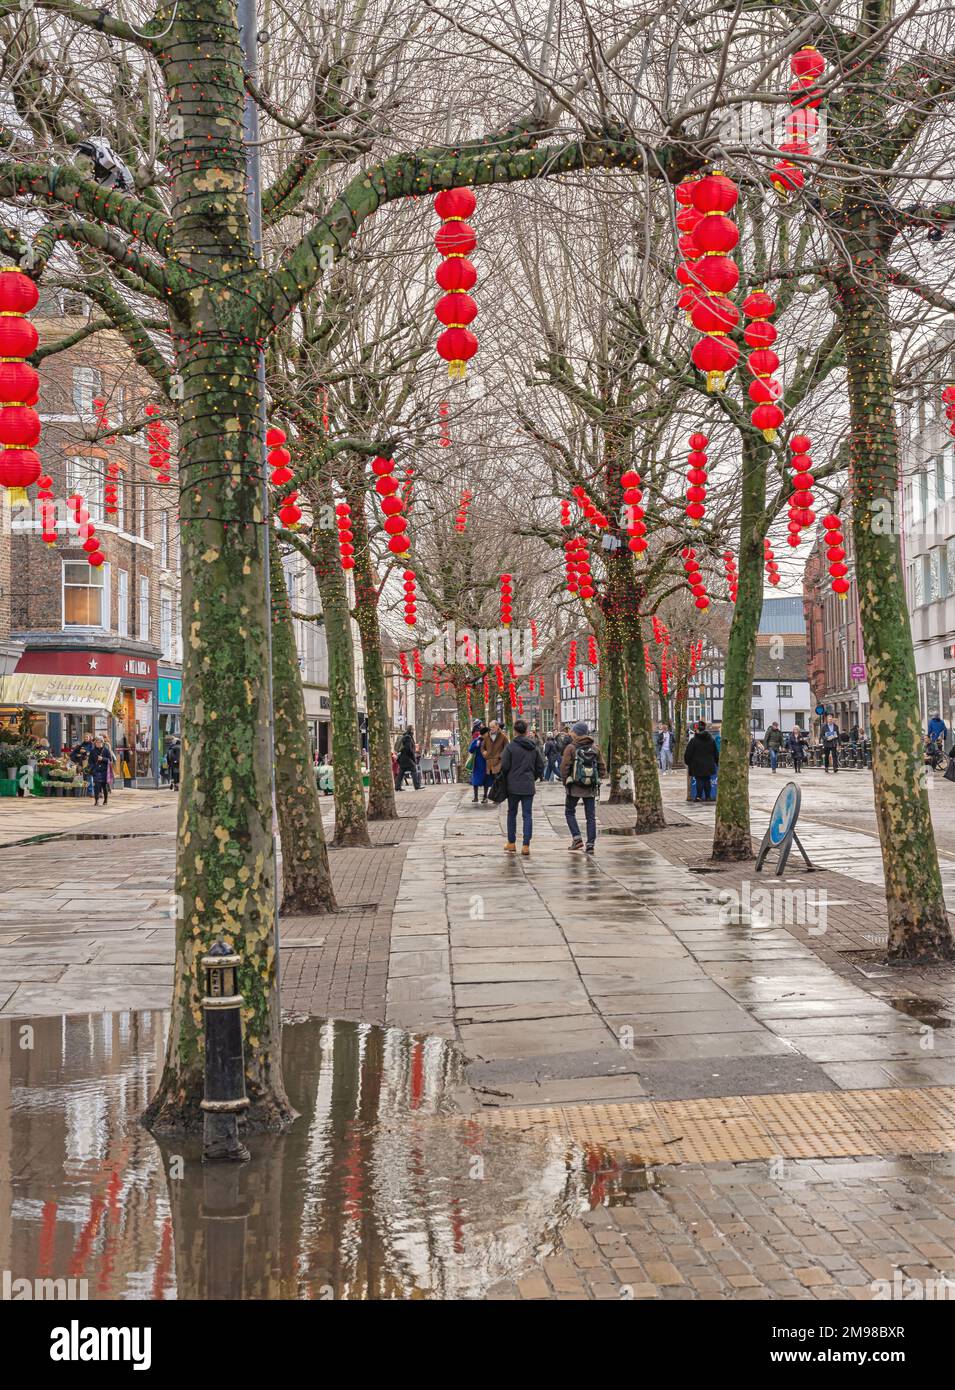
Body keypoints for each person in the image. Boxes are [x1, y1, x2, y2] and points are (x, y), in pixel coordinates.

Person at [560, 720, 606, 853]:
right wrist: (596, 779)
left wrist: (566, 781)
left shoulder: (571, 748)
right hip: (590, 789)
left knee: (569, 812)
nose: (571, 733)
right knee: (590, 817)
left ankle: (577, 838)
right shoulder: (595, 748)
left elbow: (564, 767)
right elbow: (602, 768)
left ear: (577, 733)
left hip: (574, 787)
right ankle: (590, 844)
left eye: (573, 731)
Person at [500, 718, 544, 854]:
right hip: (528, 785)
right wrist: (533, 777)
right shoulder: (533, 747)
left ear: (514, 731)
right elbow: (540, 766)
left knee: (512, 814)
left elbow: (504, 766)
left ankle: (511, 842)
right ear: (526, 731)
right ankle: (526, 845)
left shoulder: (510, 747)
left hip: (513, 786)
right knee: (527, 815)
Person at [684, 720, 719, 802]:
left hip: (697, 764)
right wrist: (716, 762)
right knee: (707, 780)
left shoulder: (693, 741)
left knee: (699, 780)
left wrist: (687, 762)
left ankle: (698, 796)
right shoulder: (711, 740)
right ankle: (708, 796)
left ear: (698, 730)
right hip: (709, 764)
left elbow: (688, 753)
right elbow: (716, 752)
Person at [87, 734, 114, 806]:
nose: (98, 744)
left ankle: (105, 800)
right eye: (96, 742)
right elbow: (90, 761)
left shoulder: (106, 751)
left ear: (102, 742)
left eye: (99, 742)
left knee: (104, 787)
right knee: (96, 786)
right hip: (96, 771)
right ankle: (96, 800)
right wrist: (92, 767)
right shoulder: (93, 751)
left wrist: (103, 759)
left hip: (104, 771)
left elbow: (110, 760)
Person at [467, 721, 490, 803]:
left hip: (486, 763)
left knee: (486, 780)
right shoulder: (478, 741)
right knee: (476, 781)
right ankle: (476, 796)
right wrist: (476, 744)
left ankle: (485, 796)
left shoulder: (489, 740)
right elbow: (470, 750)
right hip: (478, 763)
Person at [481, 719, 507, 786]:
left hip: (498, 762)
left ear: (497, 726)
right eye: (490, 727)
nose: (492, 729)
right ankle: (495, 795)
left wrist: (501, 756)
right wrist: (484, 752)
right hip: (489, 763)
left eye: (493, 727)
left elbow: (507, 748)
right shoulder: (487, 737)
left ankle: (498, 795)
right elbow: (482, 748)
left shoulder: (503, 737)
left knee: (498, 781)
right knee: (492, 782)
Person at [396, 726, 420, 790]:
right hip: (407, 758)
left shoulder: (405, 736)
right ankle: (417, 785)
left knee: (401, 772)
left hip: (402, 758)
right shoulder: (408, 737)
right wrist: (413, 758)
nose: (413, 731)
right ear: (411, 730)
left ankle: (397, 787)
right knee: (414, 769)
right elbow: (409, 749)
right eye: (413, 730)